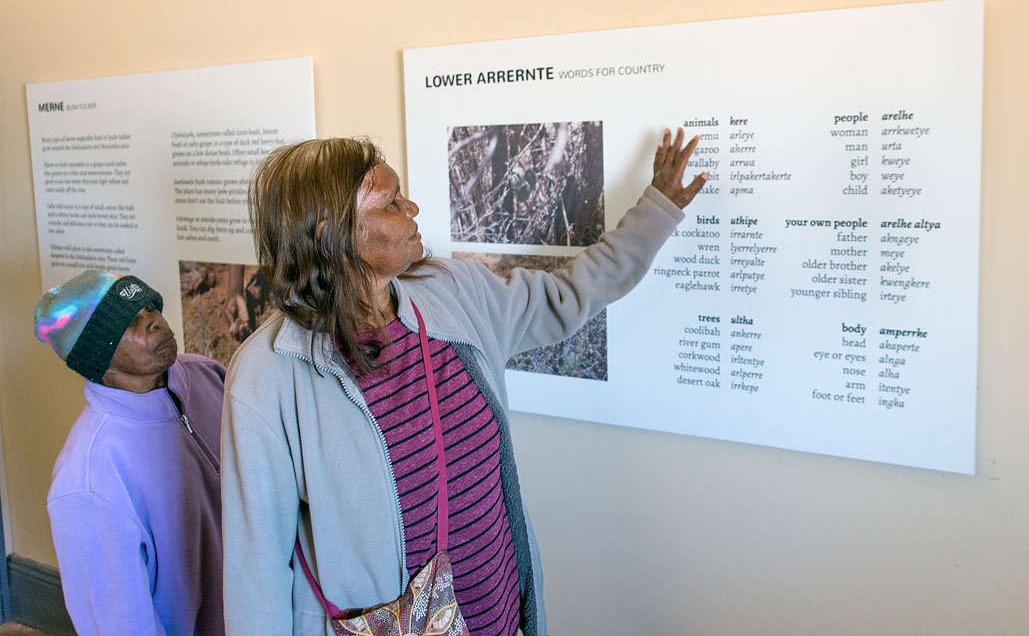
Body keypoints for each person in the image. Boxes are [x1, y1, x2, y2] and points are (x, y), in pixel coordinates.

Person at [221, 129, 707, 636]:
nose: (411, 208)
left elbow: (568, 294)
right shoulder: (268, 375)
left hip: (500, 618)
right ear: (330, 237)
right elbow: (255, 576)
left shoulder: (453, 292)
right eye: (390, 203)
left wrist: (658, 208)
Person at [34, 270, 226, 636]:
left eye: (149, 307)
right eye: (128, 323)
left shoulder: (206, 375)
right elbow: (121, 624)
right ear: (99, 357)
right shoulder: (88, 478)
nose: (154, 321)